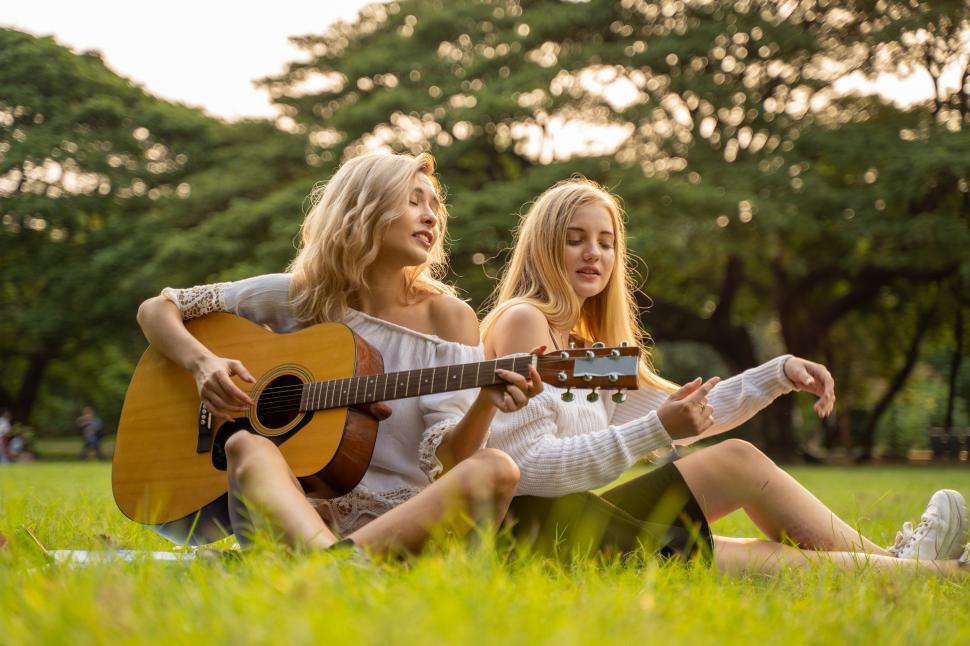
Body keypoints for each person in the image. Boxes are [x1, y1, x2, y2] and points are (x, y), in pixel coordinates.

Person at [481, 177, 969, 575]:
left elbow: (689, 412)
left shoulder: (589, 350)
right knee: (755, 557)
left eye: (606, 243)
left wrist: (778, 374)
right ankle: (941, 575)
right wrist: (657, 430)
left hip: (578, 515)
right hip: (535, 536)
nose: (594, 253)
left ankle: (902, 564)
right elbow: (527, 466)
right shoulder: (525, 320)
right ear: (545, 247)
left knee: (736, 459)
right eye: (575, 240)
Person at [136, 152, 541, 556]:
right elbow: (159, 308)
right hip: (304, 512)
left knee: (495, 467)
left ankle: (334, 565)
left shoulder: (447, 317)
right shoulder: (301, 296)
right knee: (244, 446)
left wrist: (487, 402)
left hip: (404, 525)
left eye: (435, 205)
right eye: (413, 200)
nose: (431, 216)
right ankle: (338, 564)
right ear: (362, 208)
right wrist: (202, 364)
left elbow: (452, 459)